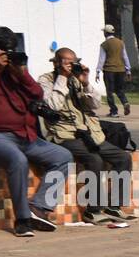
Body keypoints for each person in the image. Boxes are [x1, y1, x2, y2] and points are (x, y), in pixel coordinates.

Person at [0, 26, 72, 237]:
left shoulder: (14, 67)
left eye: (9, 50)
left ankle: (40, 208)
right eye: (2, 51)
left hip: (26, 134)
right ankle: (23, 219)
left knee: (63, 156)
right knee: (18, 160)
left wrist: (21, 73)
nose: (6, 55)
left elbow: (37, 93)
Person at [40, 48, 132, 222]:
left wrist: (86, 82)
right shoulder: (46, 80)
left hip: (88, 132)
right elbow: (52, 106)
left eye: (73, 62)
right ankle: (93, 210)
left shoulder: (77, 80)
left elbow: (95, 105)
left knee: (123, 158)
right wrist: (62, 78)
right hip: (63, 134)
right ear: (56, 63)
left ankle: (114, 205)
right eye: (66, 63)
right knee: (94, 159)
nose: (70, 67)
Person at [96, 24, 131, 117]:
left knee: (109, 91)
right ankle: (125, 102)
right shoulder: (120, 43)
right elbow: (125, 57)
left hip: (109, 70)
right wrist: (128, 70)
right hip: (121, 69)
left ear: (106, 33)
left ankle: (114, 111)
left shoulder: (104, 44)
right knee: (119, 89)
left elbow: (101, 59)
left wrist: (98, 71)